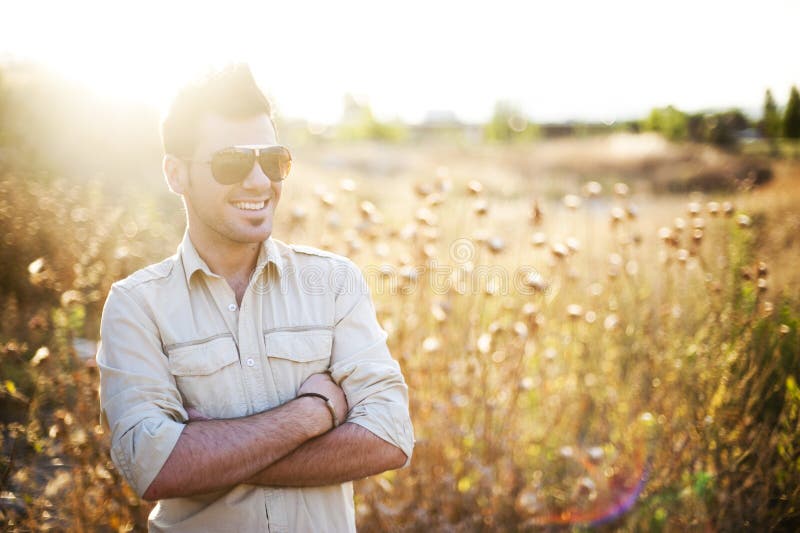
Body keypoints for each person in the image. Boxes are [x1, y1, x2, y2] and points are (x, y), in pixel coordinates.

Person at [96, 64, 414, 532]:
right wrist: (313, 413)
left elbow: (389, 437)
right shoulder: (135, 306)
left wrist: (209, 455)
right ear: (175, 174)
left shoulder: (335, 282)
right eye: (231, 162)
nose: (260, 182)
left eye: (273, 161)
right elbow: (154, 465)